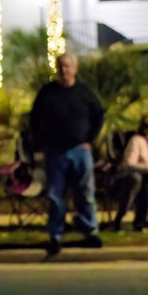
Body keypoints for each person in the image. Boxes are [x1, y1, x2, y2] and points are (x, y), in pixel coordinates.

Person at [28, 51, 106, 256]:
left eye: (68, 66)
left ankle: (90, 231)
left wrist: (89, 139)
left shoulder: (84, 93)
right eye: (61, 66)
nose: (64, 70)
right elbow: (35, 119)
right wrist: (40, 143)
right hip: (55, 152)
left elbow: (99, 116)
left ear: (75, 68)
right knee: (55, 195)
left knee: (85, 193)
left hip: (80, 151)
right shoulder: (47, 93)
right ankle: (55, 235)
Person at [111, 111, 148, 231]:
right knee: (136, 179)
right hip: (131, 175)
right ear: (147, 127)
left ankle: (140, 223)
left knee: (147, 184)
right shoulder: (136, 141)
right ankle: (120, 216)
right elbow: (129, 164)